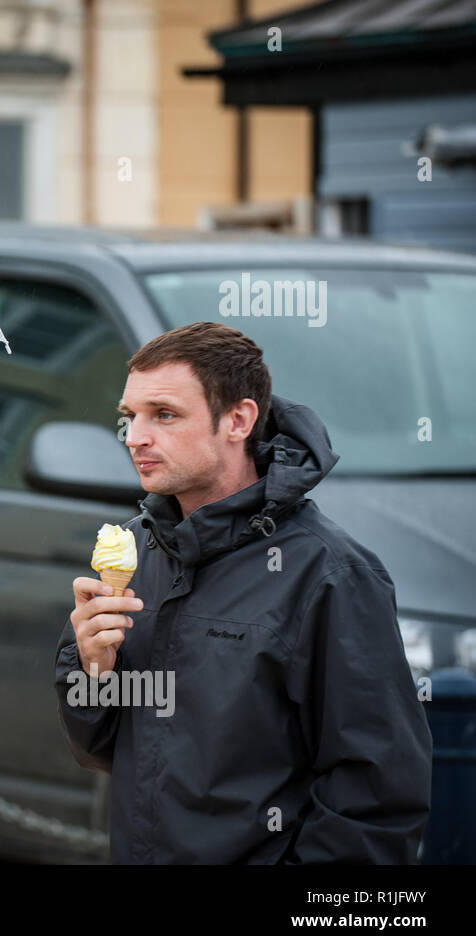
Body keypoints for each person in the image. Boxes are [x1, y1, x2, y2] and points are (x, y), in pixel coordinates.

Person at [54, 321, 432, 863]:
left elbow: (376, 796)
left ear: (237, 419)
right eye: (129, 416)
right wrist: (92, 669)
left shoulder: (330, 573)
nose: (135, 436)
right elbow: (99, 751)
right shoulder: (137, 550)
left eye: (163, 414)